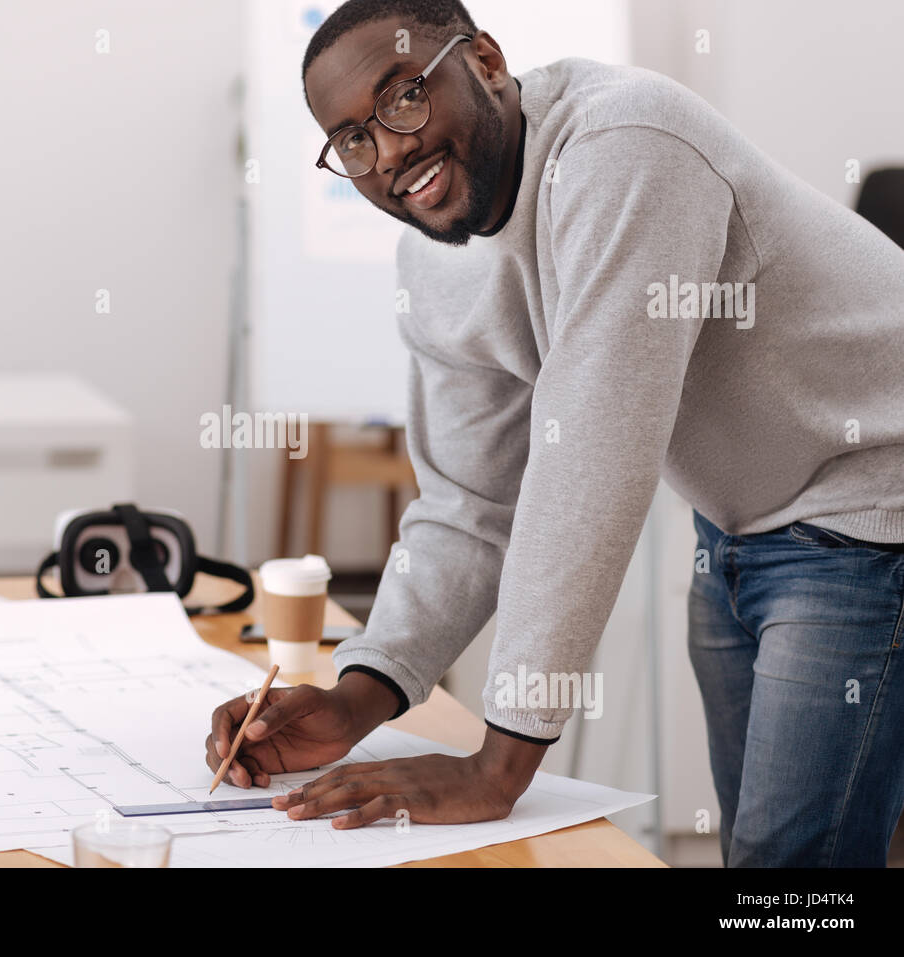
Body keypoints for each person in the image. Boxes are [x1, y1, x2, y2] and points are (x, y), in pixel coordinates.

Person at [204, 0, 904, 866]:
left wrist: (499, 765)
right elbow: (471, 499)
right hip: (737, 526)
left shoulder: (624, 149)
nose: (388, 151)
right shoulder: (436, 253)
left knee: (792, 876)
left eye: (404, 98)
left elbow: (593, 453)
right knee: (763, 863)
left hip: (870, 506)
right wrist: (362, 691)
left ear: (487, 61)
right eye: (353, 141)